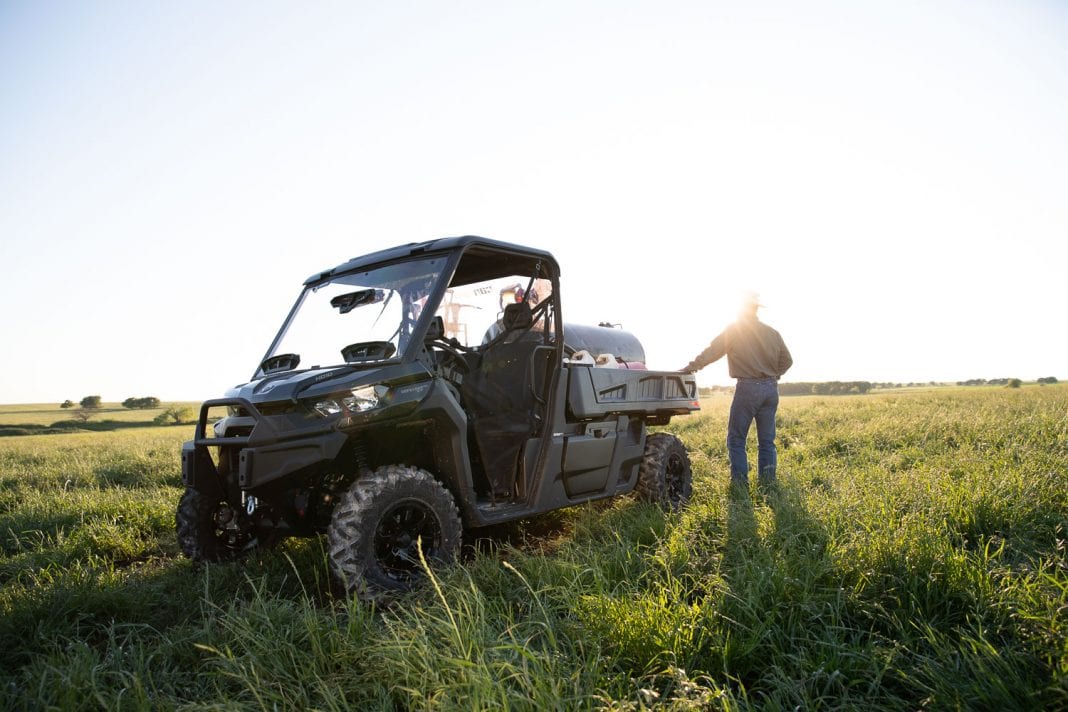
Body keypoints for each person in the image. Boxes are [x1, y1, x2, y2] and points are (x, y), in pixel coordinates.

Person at [681, 291, 792, 490]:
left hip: (748, 388)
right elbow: (788, 361)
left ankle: (740, 486)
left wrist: (691, 367)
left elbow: (712, 352)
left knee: (736, 439)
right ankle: (768, 485)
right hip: (771, 390)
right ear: (756, 310)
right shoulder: (772, 333)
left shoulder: (735, 330)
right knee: (767, 441)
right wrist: (774, 375)